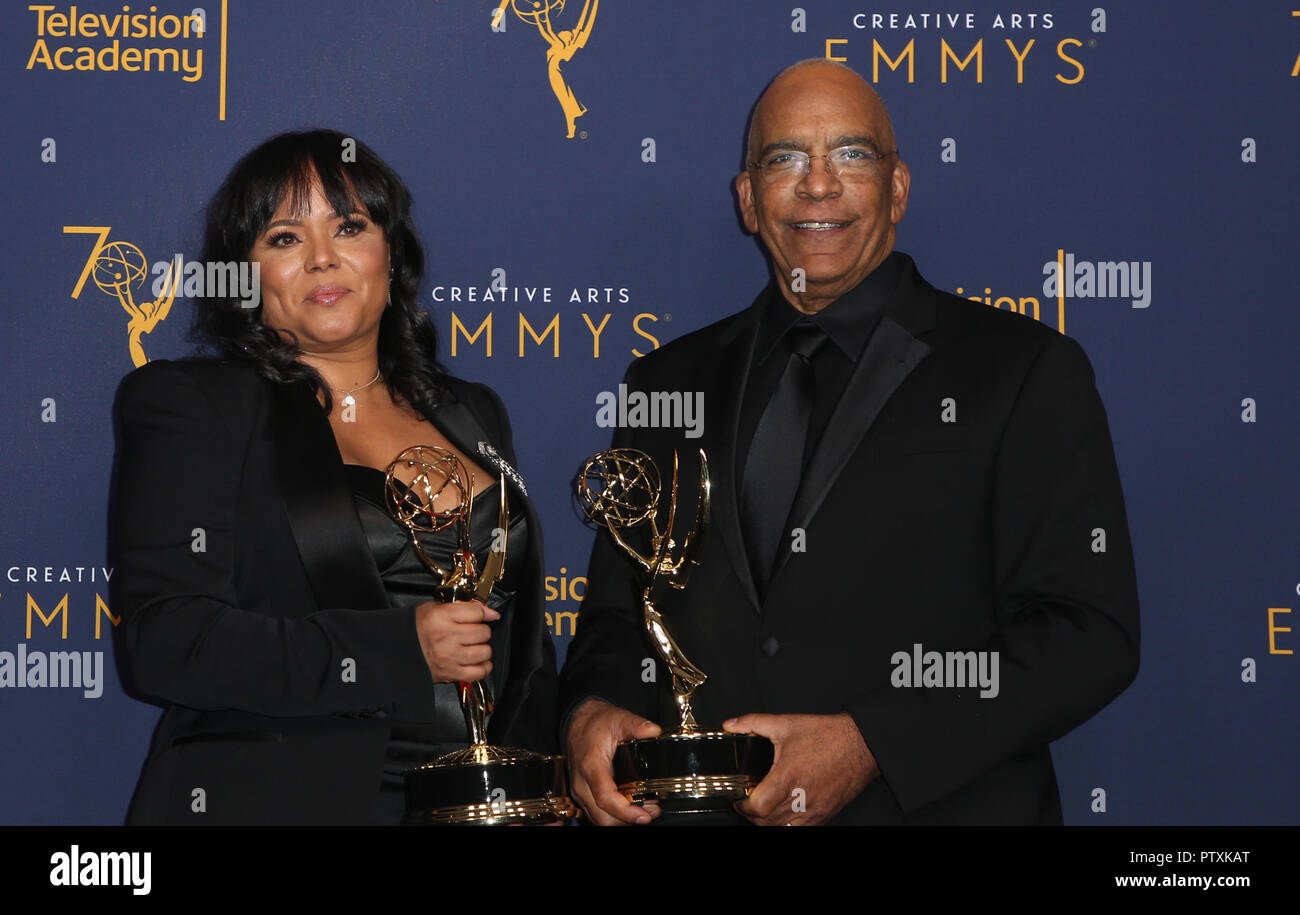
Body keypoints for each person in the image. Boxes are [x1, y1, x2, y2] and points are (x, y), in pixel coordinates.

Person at [559, 60, 1140, 825]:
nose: (818, 184)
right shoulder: (669, 380)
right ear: (747, 200)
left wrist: (873, 744)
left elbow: (1086, 633)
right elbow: (615, 613)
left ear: (898, 188)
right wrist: (588, 716)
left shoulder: (1023, 370)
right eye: (784, 158)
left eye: (852, 155)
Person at [113, 130, 557, 824]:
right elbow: (166, 640)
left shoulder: (472, 411)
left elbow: (521, 640)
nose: (323, 257)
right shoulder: (193, 405)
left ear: (390, 253)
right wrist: (396, 650)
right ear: (244, 273)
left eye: (349, 225)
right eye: (284, 238)